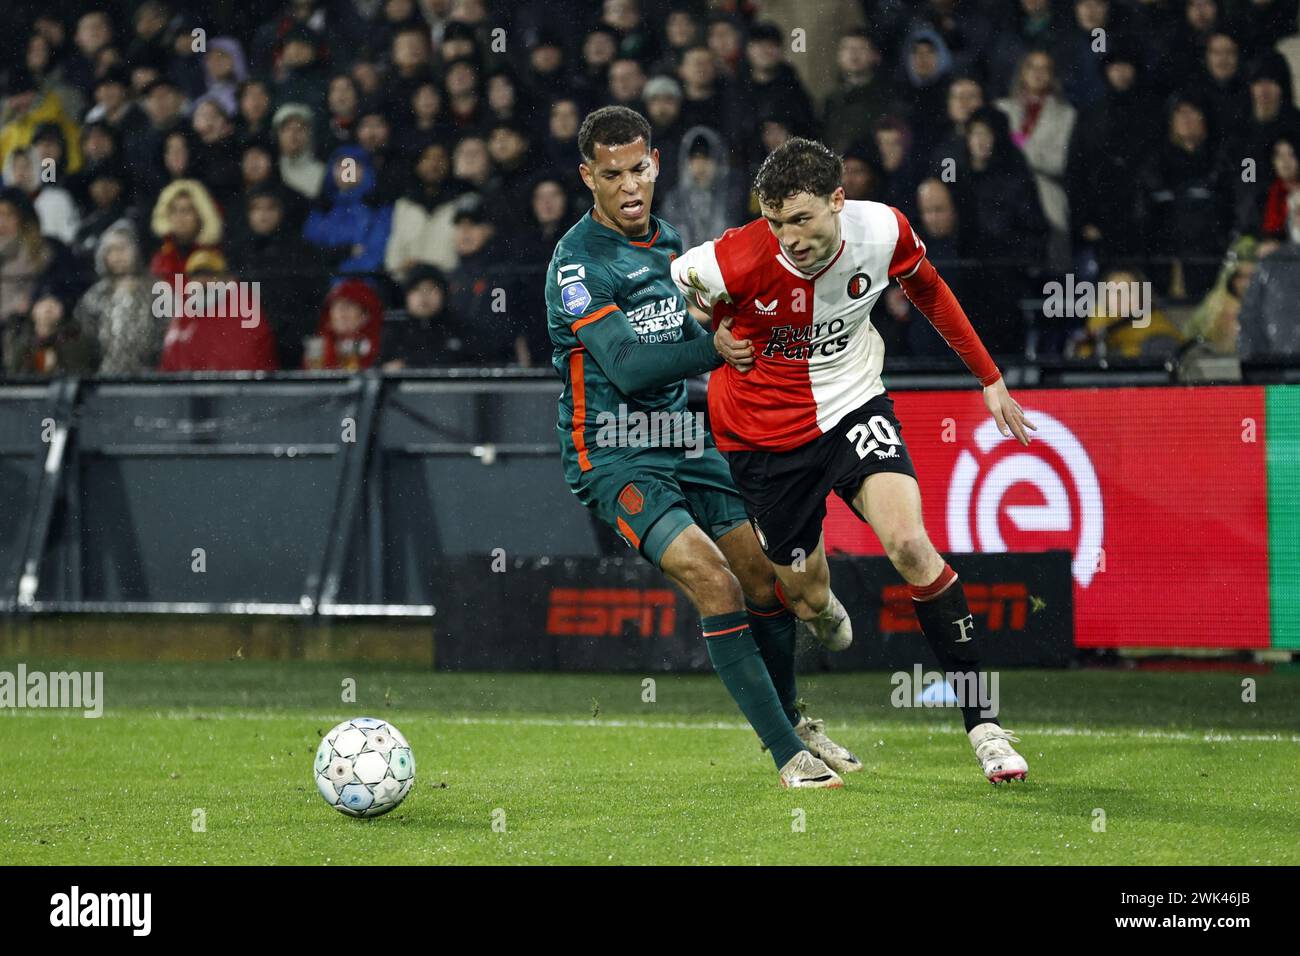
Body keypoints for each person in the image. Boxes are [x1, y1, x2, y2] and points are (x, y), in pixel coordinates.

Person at [671, 137, 1034, 784]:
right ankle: (823, 604)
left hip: (853, 406)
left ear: (838, 201)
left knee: (910, 545)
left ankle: (985, 726)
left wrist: (990, 379)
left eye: (803, 218)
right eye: (777, 221)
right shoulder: (733, 256)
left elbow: (930, 291)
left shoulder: (882, 230)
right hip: (764, 439)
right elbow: (677, 288)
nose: (790, 237)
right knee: (804, 598)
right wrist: (711, 328)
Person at [545, 106, 859, 789]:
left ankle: (795, 720)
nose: (630, 186)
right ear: (587, 178)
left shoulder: (672, 244)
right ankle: (787, 756)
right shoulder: (576, 265)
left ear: (655, 165)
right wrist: (709, 348)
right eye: (612, 174)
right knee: (713, 581)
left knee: (763, 579)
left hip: (685, 435)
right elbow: (627, 365)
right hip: (613, 450)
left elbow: (722, 315)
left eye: (639, 169)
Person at [74, 220, 161, 374]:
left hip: (148, 377)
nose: (117, 256)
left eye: (122, 248)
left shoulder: (156, 290)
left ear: (136, 251)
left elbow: (164, 334)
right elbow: (85, 339)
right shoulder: (94, 296)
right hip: (105, 377)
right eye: (110, 250)